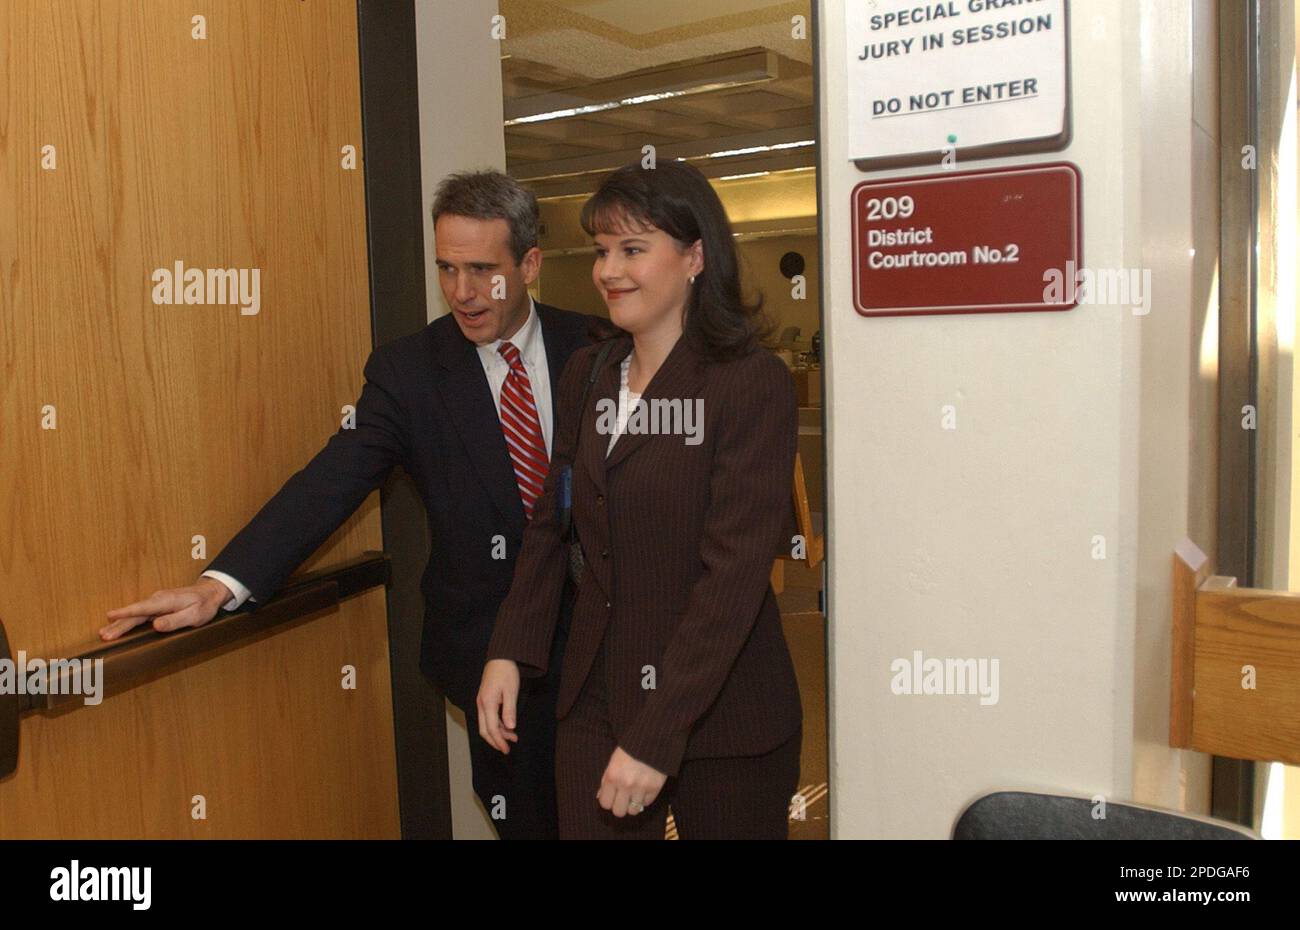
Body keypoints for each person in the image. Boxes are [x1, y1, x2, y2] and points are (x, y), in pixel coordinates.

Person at [100, 170, 607, 840]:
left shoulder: (599, 349)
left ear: (531, 264)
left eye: (483, 269)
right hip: (494, 661)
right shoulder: (410, 373)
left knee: (619, 816)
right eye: (447, 268)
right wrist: (218, 585)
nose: (461, 292)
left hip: (609, 647)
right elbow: (330, 481)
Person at [477, 160, 803, 839]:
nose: (608, 270)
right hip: (597, 697)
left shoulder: (749, 384)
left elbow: (733, 580)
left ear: (695, 258)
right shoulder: (589, 375)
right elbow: (550, 523)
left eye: (632, 249)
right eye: (601, 251)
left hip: (723, 715)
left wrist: (659, 732)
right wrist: (510, 649)